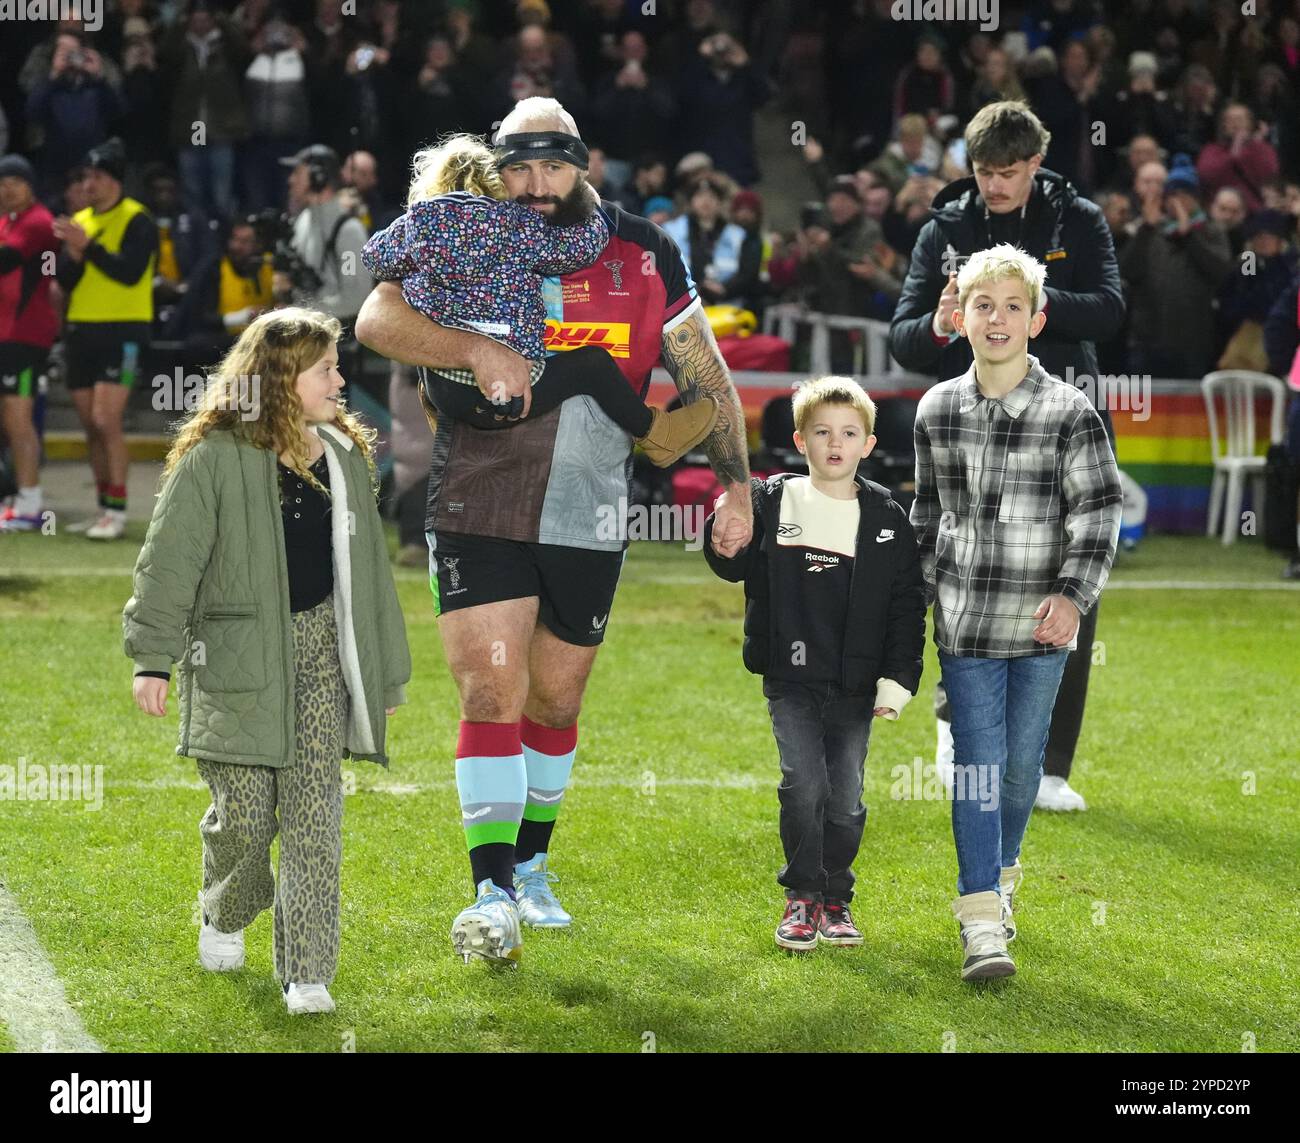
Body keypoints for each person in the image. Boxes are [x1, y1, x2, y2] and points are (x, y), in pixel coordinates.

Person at [354, 96, 753, 966]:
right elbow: (375, 320)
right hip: (478, 496)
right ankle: (491, 891)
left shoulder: (643, 247)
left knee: (557, 701)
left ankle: (533, 866)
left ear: (584, 164)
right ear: (497, 166)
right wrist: (473, 350)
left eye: (553, 166)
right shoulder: (461, 228)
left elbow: (703, 368)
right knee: (490, 695)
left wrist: (736, 483)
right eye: (520, 167)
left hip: (590, 506)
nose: (536, 186)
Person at [123, 307, 412, 1015]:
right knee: (246, 819)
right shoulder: (213, 457)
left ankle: (307, 969)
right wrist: (153, 658)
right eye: (327, 370)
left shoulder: (344, 456)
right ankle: (222, 911)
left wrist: (385, 673)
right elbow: (168, 565)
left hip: (321, 656)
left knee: (315, 819)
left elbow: (370, 573)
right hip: (233, 661)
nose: (341, 381)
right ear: (282, 378)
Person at [888, 100, 1124, 816]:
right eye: (985, 172)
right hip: (968, 423)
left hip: (1059, 416)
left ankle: (1051, 764)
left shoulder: (1077, 220)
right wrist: (942, 318)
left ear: (1035, 165)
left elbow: (1112, 308)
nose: (995, 186)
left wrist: (1020, 301)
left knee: (1070, 579)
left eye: (1009, 173)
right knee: (957, 572)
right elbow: (903, 336)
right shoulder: (944, 227)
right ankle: (952, 721)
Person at [910, 245, 1121, 981]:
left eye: (1010, 306)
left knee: (1022, 770)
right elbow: (925, 518)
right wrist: (919, 606)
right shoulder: (937, 410)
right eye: (981, 305)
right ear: (959, 315)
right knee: (976, 768)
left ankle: (1001, 882)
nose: (995, 319)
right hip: (966, 626)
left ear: (1037, 318)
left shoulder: (1072, 413)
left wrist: (1072, 596)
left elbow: (1098, 513)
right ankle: (980, 922)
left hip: (1041, 630)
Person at [702, 377, 925, 952]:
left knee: (845, 794)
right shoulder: (772, 501)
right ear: (800, 441)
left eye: (849, 433)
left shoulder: (885, 517)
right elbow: (734, 561)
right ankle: (801, 896)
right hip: (792, 680)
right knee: (804, 785)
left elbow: (906, 607)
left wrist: (899, 678)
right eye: (822, 432)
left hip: (855, 685)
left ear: (868, 445)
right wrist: (721, 537)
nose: (835, 443)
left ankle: (836, 899)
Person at [362, 134, 717, 464]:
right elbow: (578, 248)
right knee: (591, 363)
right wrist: (589, 205)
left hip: (444, 389)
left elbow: (373, 257)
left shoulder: (415, 224)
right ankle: (658, 434)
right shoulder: (516, 224)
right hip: (512, 388)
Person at [54, 138, 158, 541]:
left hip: (123, 329)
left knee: (106, 419)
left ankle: (117, 510)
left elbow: (129, 272)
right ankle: (102, 508)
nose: (89, 184)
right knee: (89, 425)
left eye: (96, 176)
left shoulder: (138, 220)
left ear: (114, 180)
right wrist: (74, 254)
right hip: (82, 329)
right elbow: (65, 280)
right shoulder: (82, 220)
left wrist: (89, 247)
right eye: (85, 177)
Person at [0, 155, 60, 533]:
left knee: (18, 418)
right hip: (7, 335)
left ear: (31, 186)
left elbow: (6, 259)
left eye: (15, 181)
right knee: (8, 417)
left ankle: (31, 502)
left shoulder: (39, 222)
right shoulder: (8, 221)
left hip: (26, 335)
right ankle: (16, 497)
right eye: (2, 181)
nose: (8, 188)